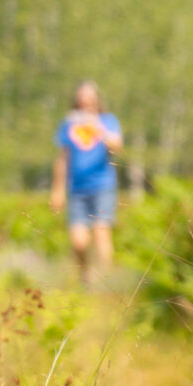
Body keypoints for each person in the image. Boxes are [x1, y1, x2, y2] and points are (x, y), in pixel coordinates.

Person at [50, 80, 123, 285]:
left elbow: (117, 145)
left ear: (96, 101)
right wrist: (57, 190)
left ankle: (107, 284)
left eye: (89, 100)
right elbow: (62, 158)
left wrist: (96, 126)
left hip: (103, 186)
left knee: (101, 233)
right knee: (78, 242)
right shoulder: (68, 125)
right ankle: (86, 280)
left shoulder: (108, 121)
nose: (85, 104)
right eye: (81, 101)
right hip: (77, 189)